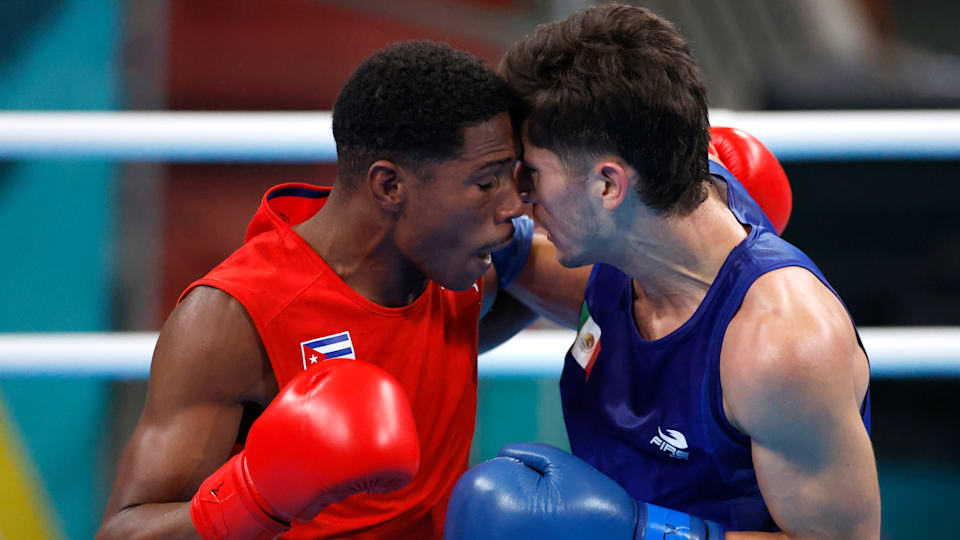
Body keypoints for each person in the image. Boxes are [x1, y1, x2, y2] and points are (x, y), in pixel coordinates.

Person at [445, 4, 879, 539]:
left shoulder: (781, 349)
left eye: (531, 174)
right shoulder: (635, 241)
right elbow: (540, 276)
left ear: (608, 186)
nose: (520, 199)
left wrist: (641, 532)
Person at [96, 40, 528, 539]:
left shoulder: (462, 274)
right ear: (389, 186)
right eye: (487, 183)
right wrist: (256, 495)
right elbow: (122, 533)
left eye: (514, 180)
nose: (513, 205)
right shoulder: (233, 318)